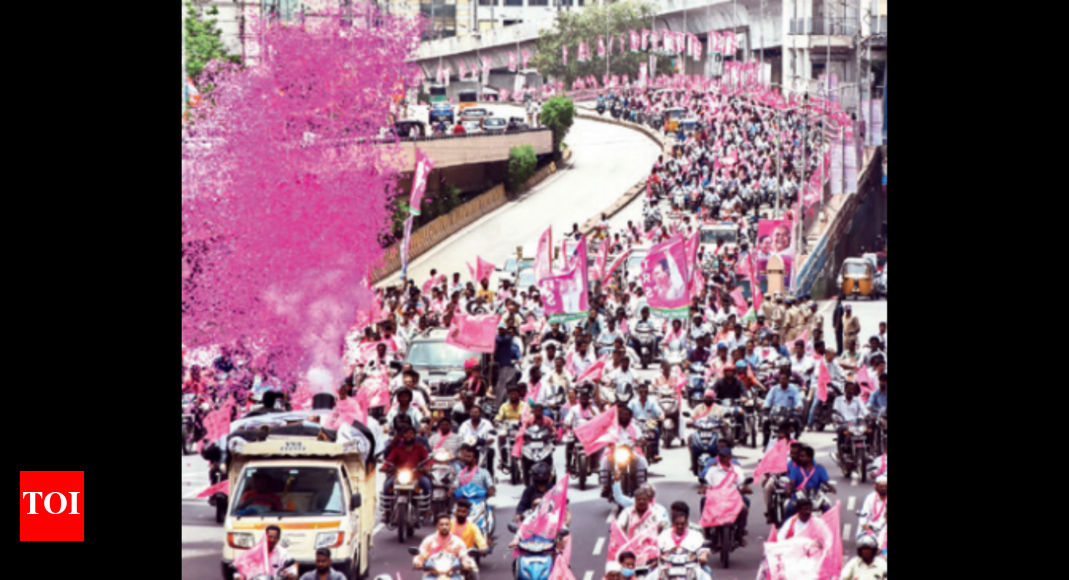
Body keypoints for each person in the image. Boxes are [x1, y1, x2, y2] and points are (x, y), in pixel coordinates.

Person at [698, 444, 751, 546]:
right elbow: (707, 483)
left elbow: (741, 484)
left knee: (744, 507)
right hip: (716, 497)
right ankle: (707, 531)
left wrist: (745, 488)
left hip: (732, 497)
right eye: (720, 456)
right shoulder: (713, 469)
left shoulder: (736, 469)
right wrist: (704, 488)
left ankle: (740, 533)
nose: (722, 458)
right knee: (703, 501)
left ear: (729, 458)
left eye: (724, 456)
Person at [382, 424, 432, 523]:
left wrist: (428, 466)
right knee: (387, 485)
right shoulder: (397, 449)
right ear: (403, 436)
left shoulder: (420, 448)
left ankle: (426, 511)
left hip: (417, 475)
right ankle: (387, 511)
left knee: (427, 484)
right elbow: (388, 461)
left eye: (411, 433)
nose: (408, 435)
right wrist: (385, 467)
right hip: (398, 475)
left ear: (414, 435)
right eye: (406, 433)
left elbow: (427, 459)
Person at [599, 404, 648, 497]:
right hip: (615, 451)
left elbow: (641, 437)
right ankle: (605, 487)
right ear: (619, 415)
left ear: (630, 416)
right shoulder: (613, 427)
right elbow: (607, 437)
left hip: (631, 451)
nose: (624, 416)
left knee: (642, 461)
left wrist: (643, 440)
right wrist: (607, 441)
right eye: (623, 414)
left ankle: (641, 486)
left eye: (627, 414)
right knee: (604, 461)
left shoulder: (634, 427)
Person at [413, 514, 478, 580]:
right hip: (432, 572)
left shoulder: (458, 541)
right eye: (441, 524)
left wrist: (465, 562)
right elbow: (421, 552)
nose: (444, 527)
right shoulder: (429, 540)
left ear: (450, 526)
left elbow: (463, 554)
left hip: (453, 573)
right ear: (437, 526)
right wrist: (417, 561)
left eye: (447, 524)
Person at [657, 502, 712, 580]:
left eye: (682, 524)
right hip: (666, 567)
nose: (679, 526)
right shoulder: (664, 534)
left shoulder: (696, 535)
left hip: (691, 567)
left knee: (706, 574)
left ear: (686, 523)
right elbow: (656, 548)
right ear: (672, 523)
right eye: (677, 524)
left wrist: (703, 555)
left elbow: (703, 549)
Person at [785, 445, 835, 517]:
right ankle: (789, 524)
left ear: (809, 457)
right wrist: (788, 490)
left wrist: (831, 488)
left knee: (828, 509)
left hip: (816, 495)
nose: (800, 458)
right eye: (799, 456)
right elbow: (791, 481)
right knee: (790, 508)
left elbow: (825, 481)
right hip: (799, 495)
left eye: (802, 456)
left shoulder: (819, 468)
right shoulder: (795, 469)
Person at [628, 383, 665, 462]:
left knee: (656, 431)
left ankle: (655, 453)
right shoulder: (632, 402)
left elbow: (659, 411)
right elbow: (627, 411)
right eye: (641, 392)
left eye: (645, 392)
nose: (643, 394)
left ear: (648, 392)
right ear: (638, 392)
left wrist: (661, 415)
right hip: (636, 424)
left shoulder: (652, 402)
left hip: (649, 424)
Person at [495, 386, 527, 471]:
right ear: (508, 395)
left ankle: (527, 458)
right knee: (501, 435)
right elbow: (499, 415)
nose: (513, 396)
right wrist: (497, 419)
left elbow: (529, 415)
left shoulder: (524, 405)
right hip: (508, 427)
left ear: (518, 394)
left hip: (521, 427)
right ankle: (503, 459)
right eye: (511, 394)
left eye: (515, 394)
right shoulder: (504, 406)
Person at [856, 475, 887, 541]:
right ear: (875, 486)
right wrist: (863, 524)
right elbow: (864, 513)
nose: (884, 488)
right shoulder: (870, 498)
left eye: (885, 486)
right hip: (870, 526)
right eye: (881, 486)